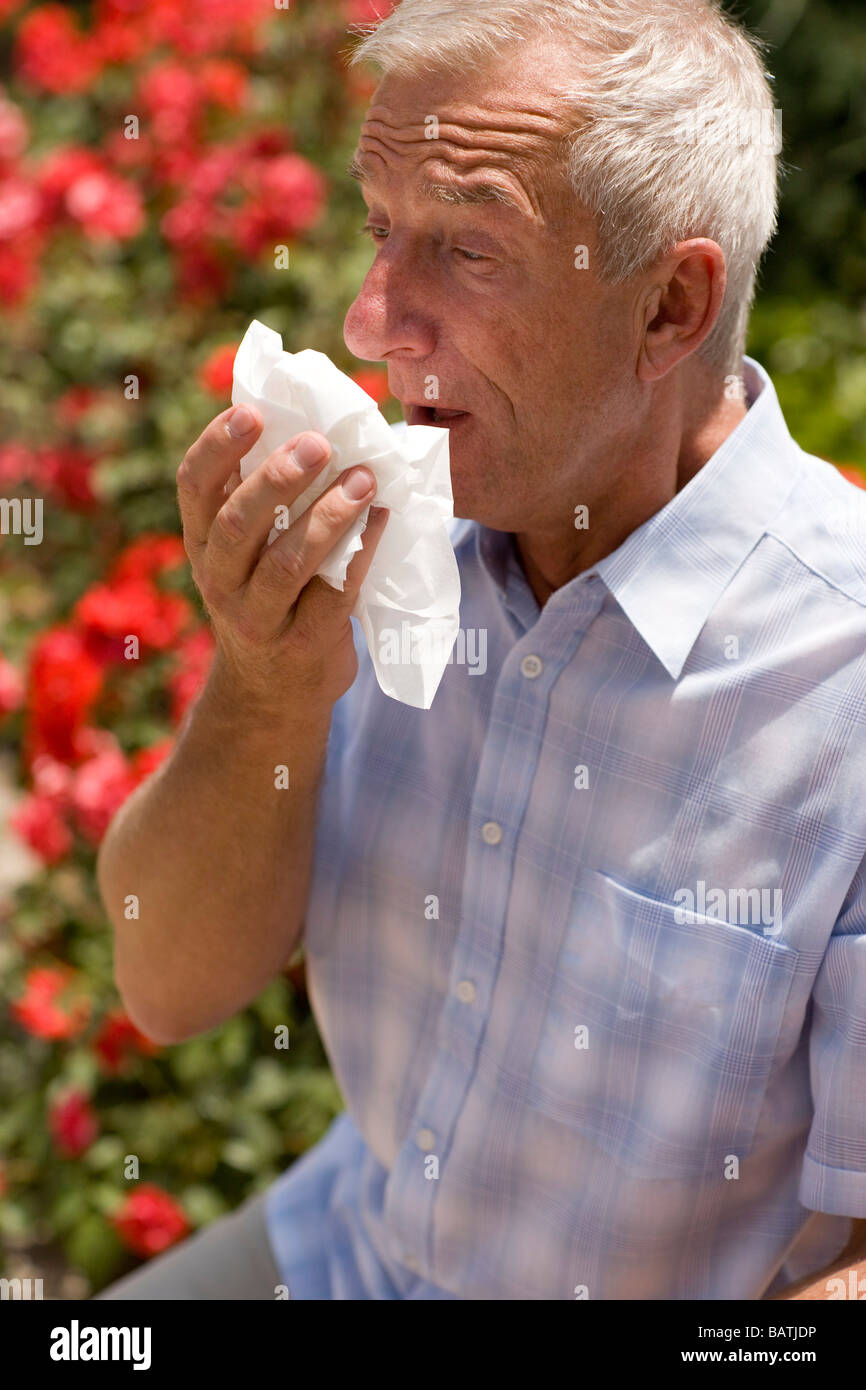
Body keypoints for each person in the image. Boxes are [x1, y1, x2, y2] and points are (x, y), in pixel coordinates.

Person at [96, 0, 866, 1300]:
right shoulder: (404, 541)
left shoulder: (834, 683)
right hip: (347, 1250)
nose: (366, 319)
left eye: (465, 247)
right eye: (380, 227)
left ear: (670, 306)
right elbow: (164, 979)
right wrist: (264, 680)